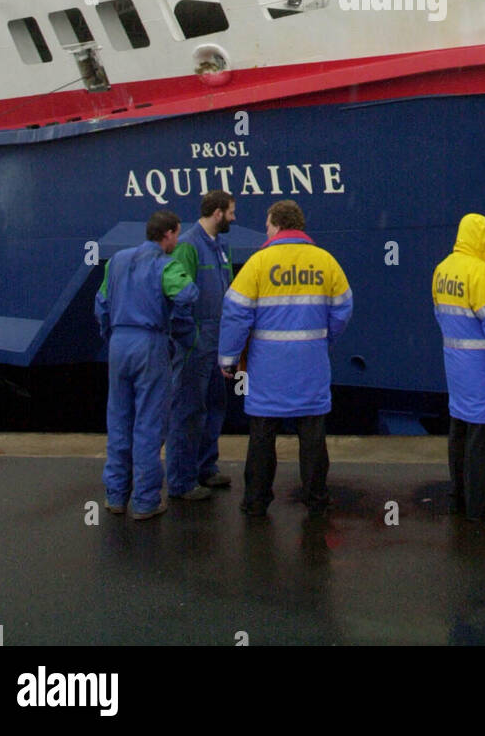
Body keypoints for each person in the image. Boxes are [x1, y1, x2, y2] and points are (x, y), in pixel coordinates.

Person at [218, 199, 352, 519]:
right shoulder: (325, 261)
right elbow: (343, 309)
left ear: (277, 225)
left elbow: (236, 313)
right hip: (310, 366)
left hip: (268, 369)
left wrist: (228, 358)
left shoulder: (258, 263)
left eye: (267, 224)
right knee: (313, 439)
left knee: (262, 438)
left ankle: (256, 501)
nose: (265, 229)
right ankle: (316, 500)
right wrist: (323, 337)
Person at [95, 211, 198, 520]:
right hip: (149, 344)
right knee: (149, 425)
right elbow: (187, 294)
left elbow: (101, 305)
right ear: (167, 234)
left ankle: (115, 496)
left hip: (118, 343)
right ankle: (145, 501)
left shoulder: (116, 262)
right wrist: (182, 332)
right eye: (177, 235)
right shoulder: (165, 265)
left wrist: (110, 335)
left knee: (119, 421)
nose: (177, 241)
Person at [432, 213, 485, 523]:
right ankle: (480, 506)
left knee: (460, 433)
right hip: (484, 368)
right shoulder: (482, 273)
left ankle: (458, 496)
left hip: (456, 365)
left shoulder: (443, 269)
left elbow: (440, 314)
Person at [166, 190, 236, 501]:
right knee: (188, 410)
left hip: (217, 341)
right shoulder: (189, 246)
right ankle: (181, 482)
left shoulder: (221, 247)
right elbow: (177, 295)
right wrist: (189, 339)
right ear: (218, 213)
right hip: (196, 344)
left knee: (214, 405)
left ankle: (206, 468)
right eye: (231, 212)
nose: (234, 218)